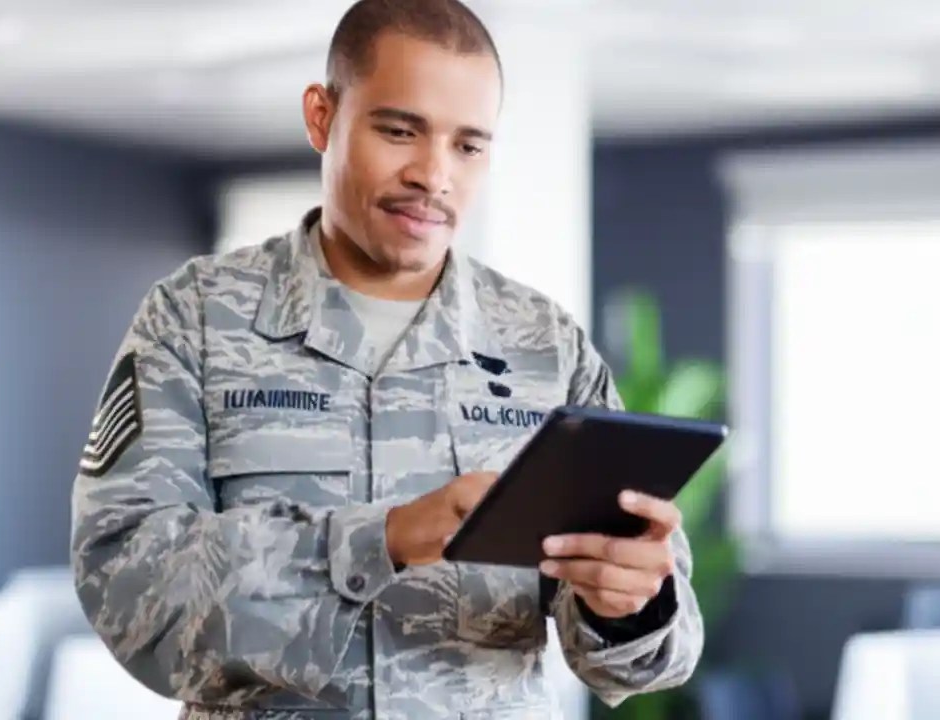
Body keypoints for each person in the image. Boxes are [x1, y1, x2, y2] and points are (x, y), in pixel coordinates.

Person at [70, 1, 703, 718]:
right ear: (321, 117)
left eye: (468, 147)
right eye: (400, 131)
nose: (433, 175)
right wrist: (384, 537)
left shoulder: (546, 346)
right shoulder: (198, 318)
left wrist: (629, 603)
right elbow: (130, 590)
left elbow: (659, 653)